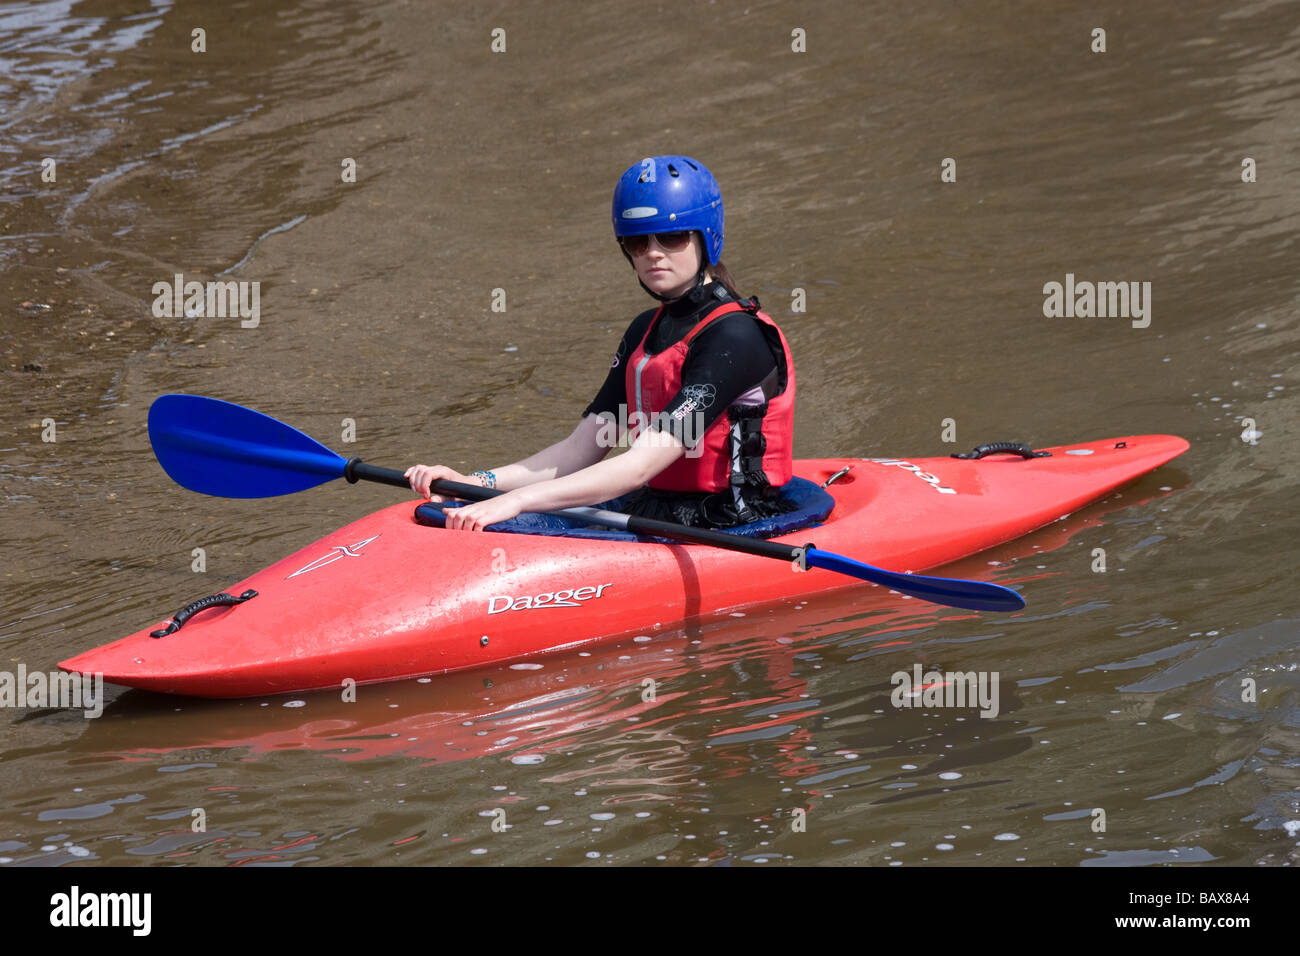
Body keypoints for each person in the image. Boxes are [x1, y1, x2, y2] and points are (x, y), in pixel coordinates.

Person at [406, 155, 797, 532]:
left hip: (735, 520)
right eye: (638, 243)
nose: (654, 253)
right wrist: (475, 483)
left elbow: (639, 466)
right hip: (658, 508)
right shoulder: (645, 331)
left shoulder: (734, 337)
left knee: (522, 515)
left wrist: (519, 501)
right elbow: (581, 449)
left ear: (705, 237)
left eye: (672, 236)